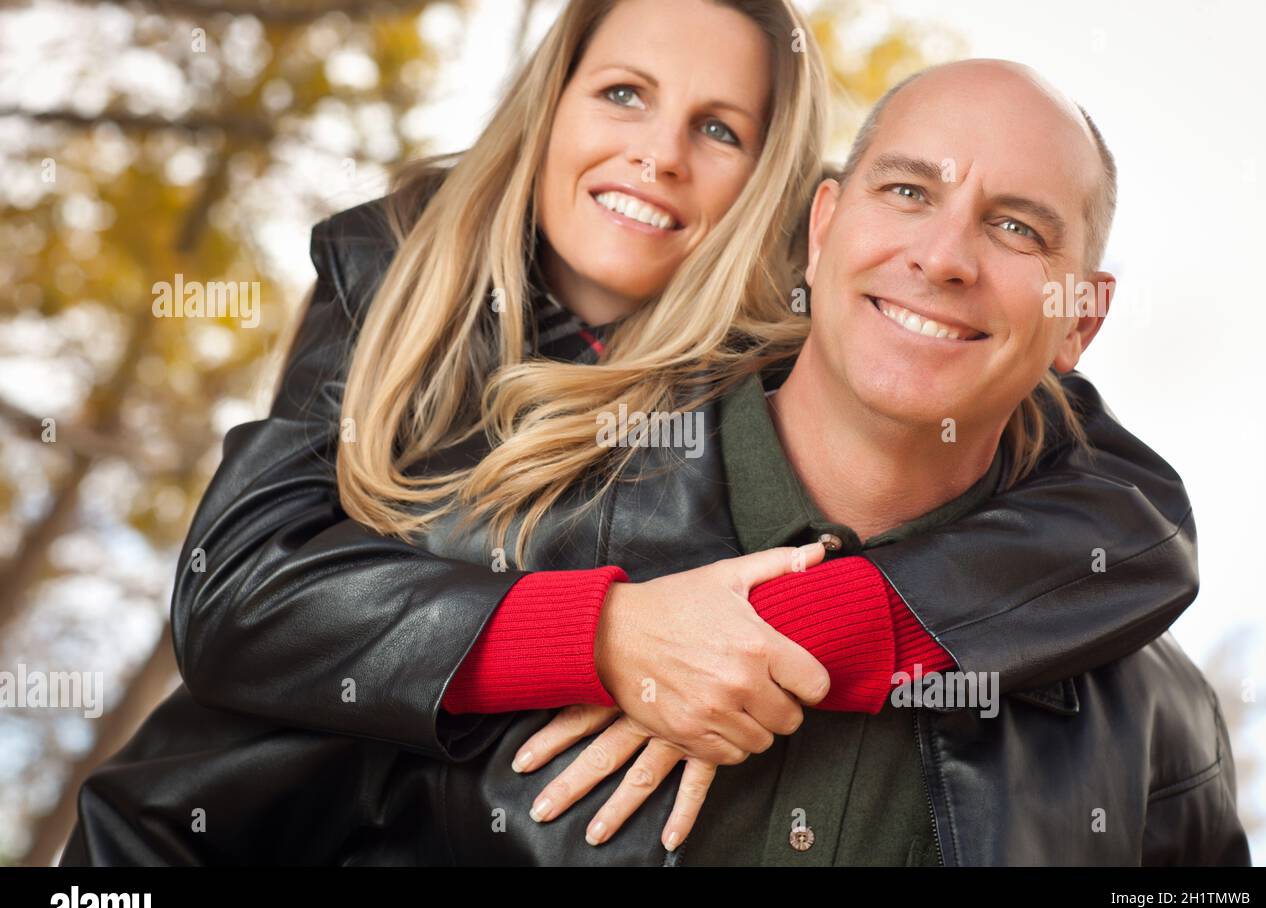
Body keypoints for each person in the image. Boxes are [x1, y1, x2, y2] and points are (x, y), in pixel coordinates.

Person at [60, 0, 1195, 864]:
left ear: (776, 196)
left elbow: (1133, 521)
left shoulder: (785, 336)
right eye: (621, 95)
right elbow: (240, 601)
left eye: (716, 127)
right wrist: (600, 634)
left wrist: (801, 623)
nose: (658, 154)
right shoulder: (405, 278)